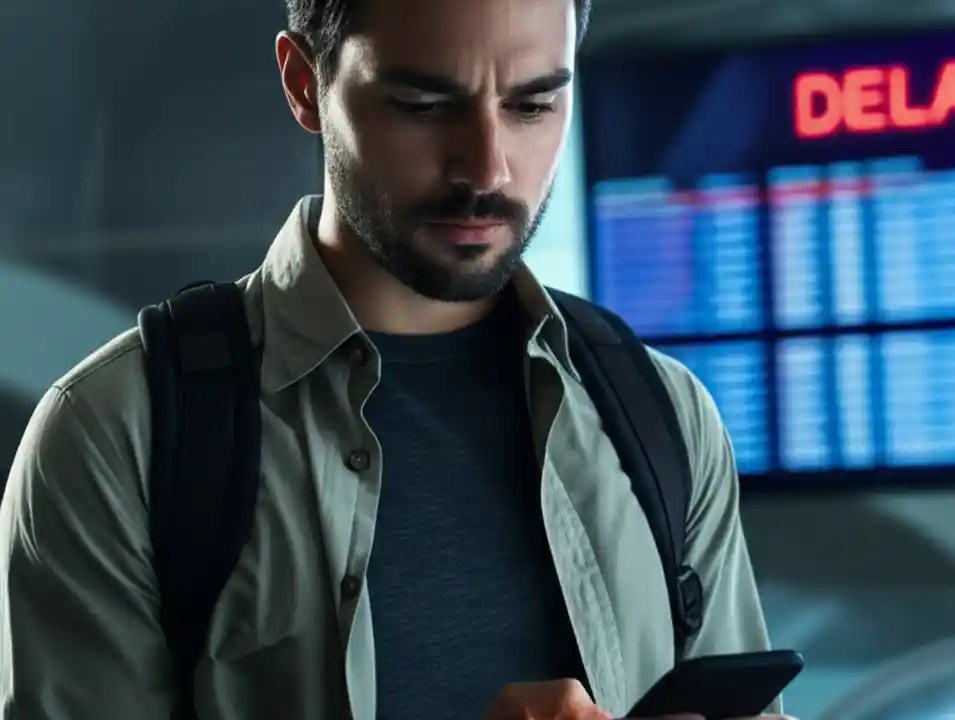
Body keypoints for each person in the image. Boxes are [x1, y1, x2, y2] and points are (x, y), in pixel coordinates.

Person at [0, 0, 788, 718]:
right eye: (423, 105)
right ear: (305, 84)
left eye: (534, 104)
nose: (488, 169)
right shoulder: (117, 437)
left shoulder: (664, 416)